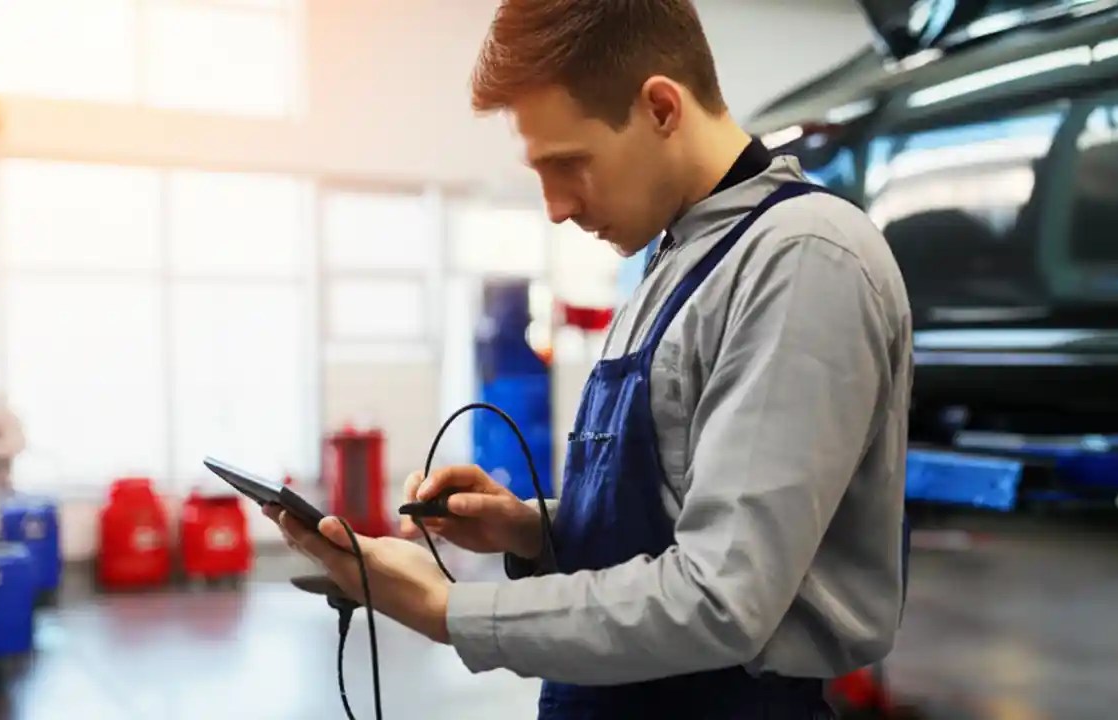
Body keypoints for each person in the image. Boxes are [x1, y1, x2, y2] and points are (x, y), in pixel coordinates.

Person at [266, 1, 913, 717]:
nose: (554, 207)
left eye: (568, 163)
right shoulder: (671, 261)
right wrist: (534, 530)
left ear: (661, 108)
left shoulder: (801, 258)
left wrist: (446, 608)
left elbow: (723, 599)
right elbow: (671, 513)